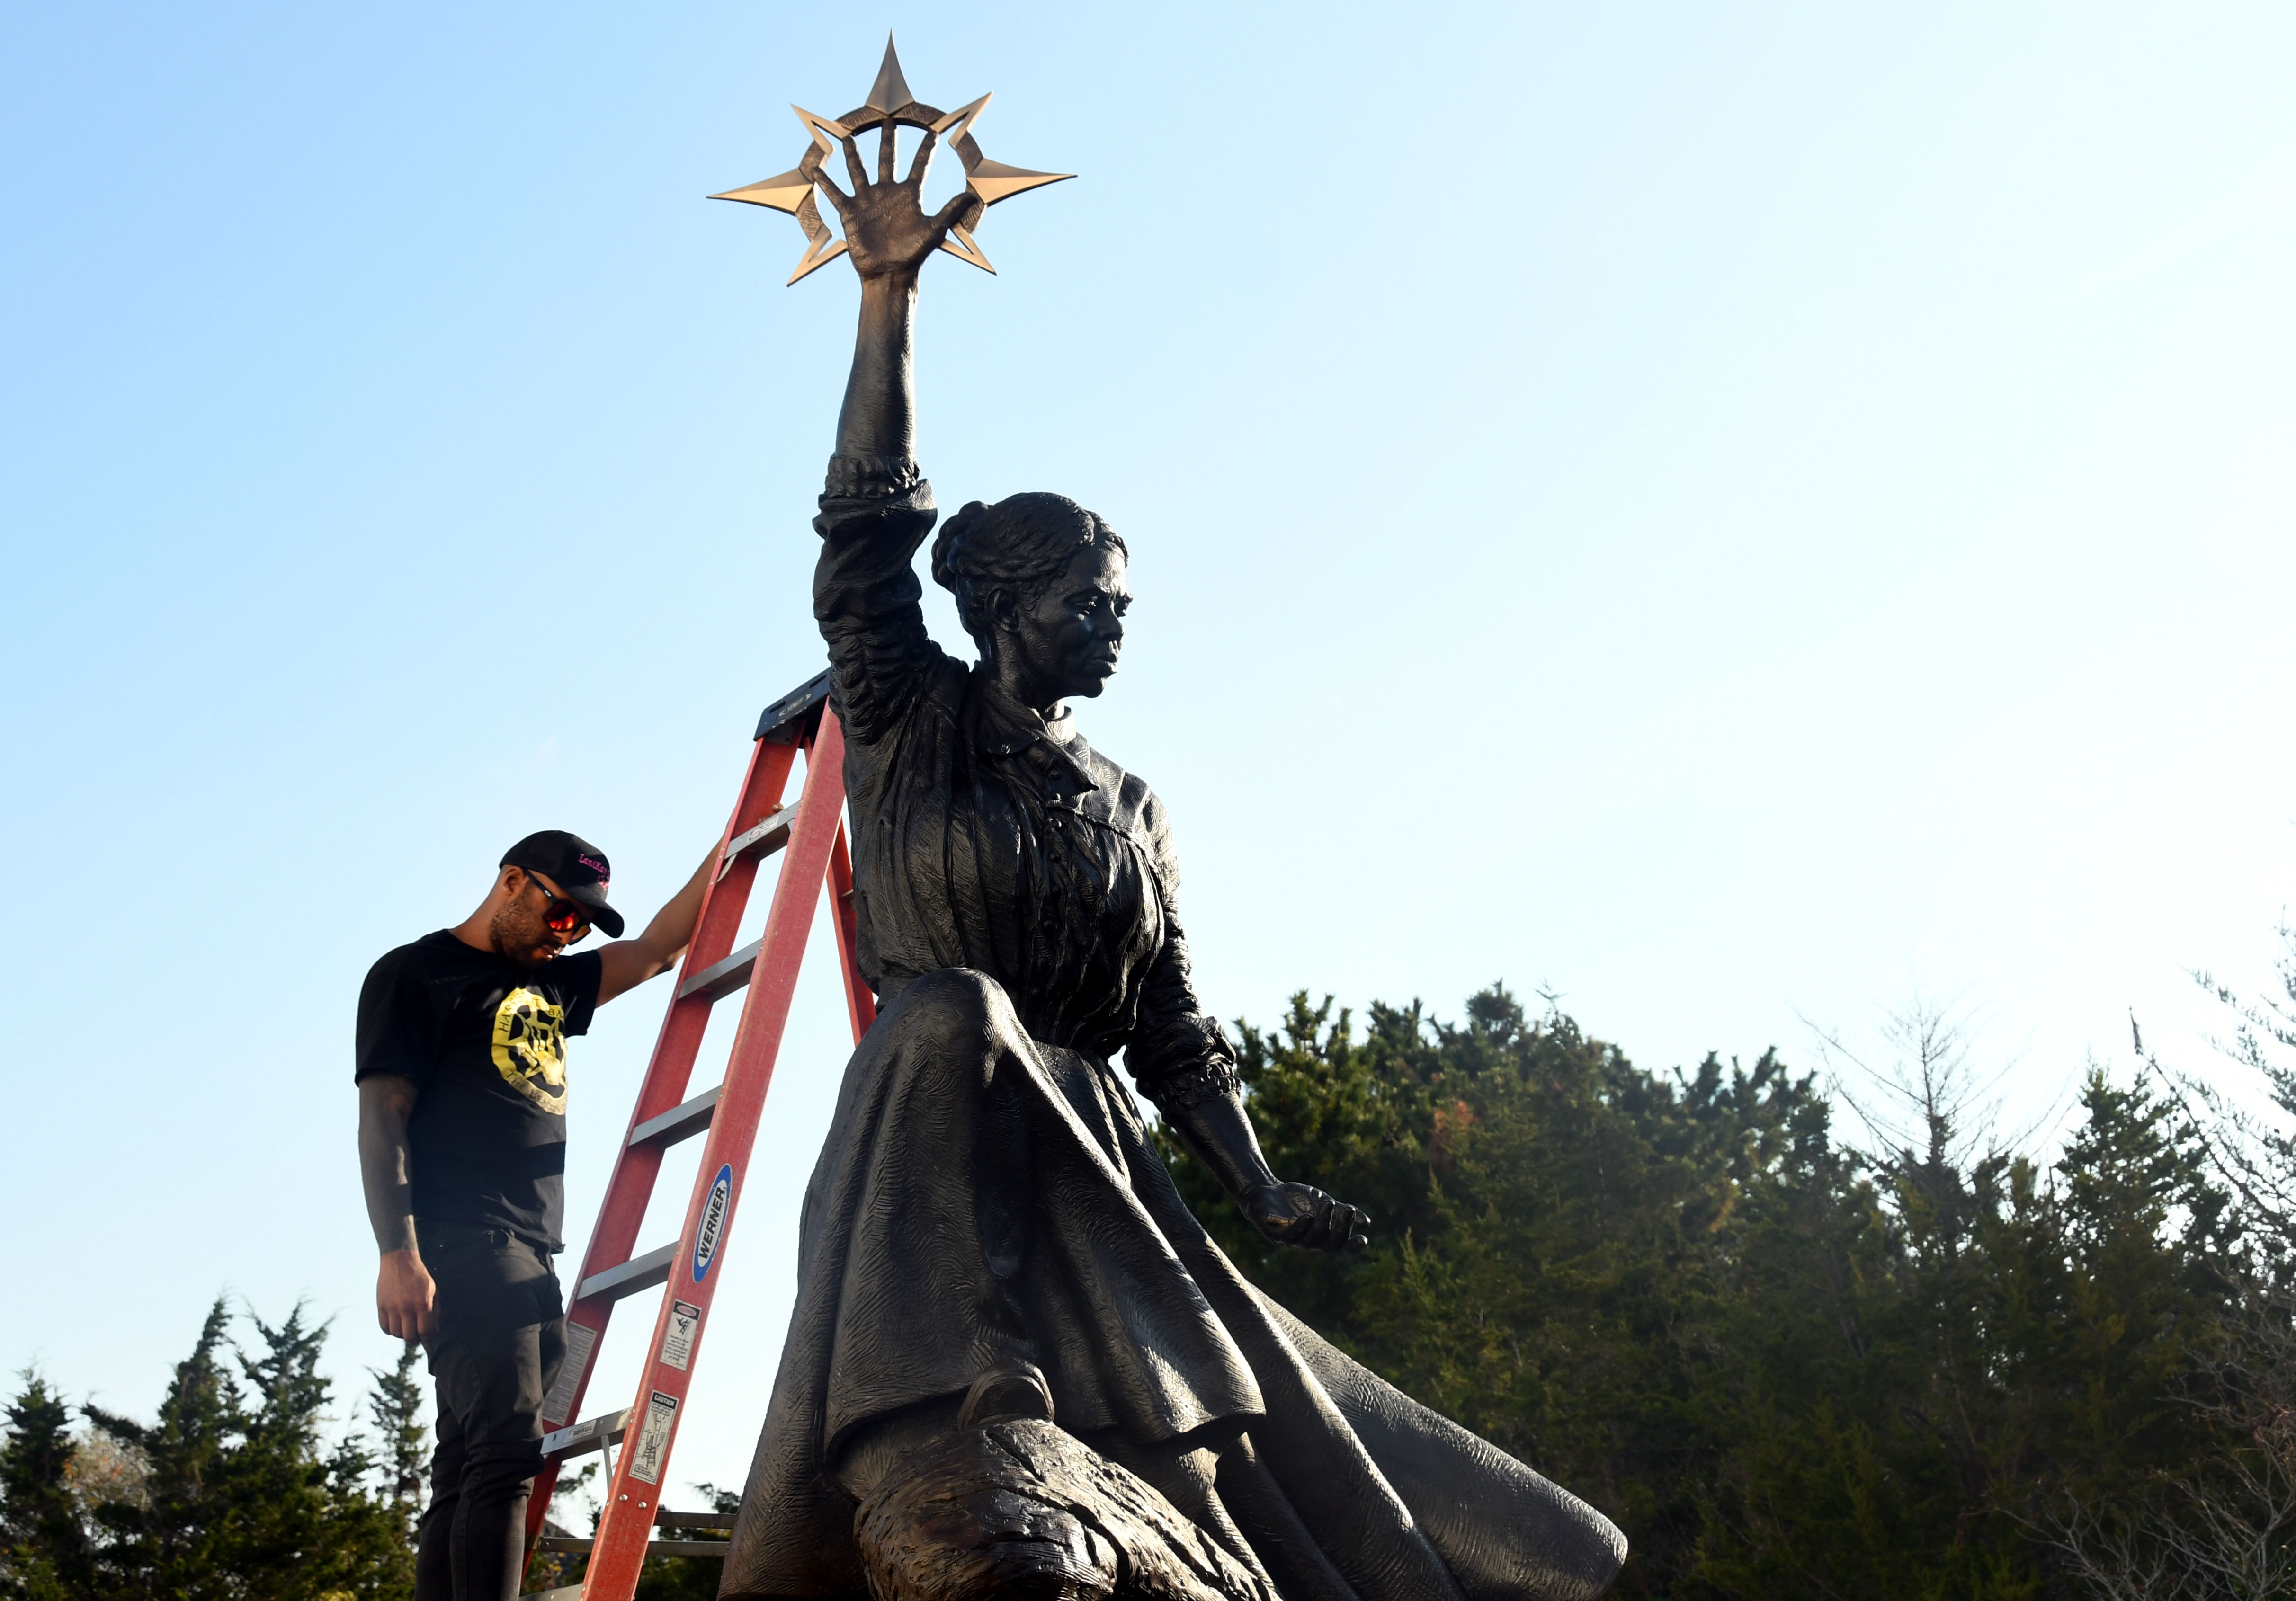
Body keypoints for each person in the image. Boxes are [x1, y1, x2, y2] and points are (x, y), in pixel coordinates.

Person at [719, 118, 1626, 1601]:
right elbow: (864, 542)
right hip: (940, 1157)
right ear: (1010, 602)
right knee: (951, 1012)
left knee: (1563, 1560)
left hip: (1115, 1200)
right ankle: (970, 1416)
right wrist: (889, 301)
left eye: (1124, 600)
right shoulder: (904, 712)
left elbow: (1173, 1026)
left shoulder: (1133, 800)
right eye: (1091, 596)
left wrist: (1258, 1185)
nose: (1118, 621)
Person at [356, 829, 712, 1601]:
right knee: (508, 1454)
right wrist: (398, 1252)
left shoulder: (550, 986)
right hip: (461, 1236)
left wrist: (736, 843)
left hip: (528, 1245)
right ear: (513, 881)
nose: (570, 937)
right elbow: (383, 1116)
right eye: (561, 917)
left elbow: (653, 950)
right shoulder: (419, 973)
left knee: (469, 1458)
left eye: (583, 927)